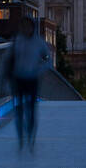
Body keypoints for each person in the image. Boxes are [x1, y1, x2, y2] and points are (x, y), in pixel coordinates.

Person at [3, 17, 51, 150]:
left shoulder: (39, 43)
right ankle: (20, 137)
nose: (25, 29)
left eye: (27, 26)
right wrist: (8, 74)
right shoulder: (16, 41)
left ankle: (30, 134)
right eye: (23, 26)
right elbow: (8, 59)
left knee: (31, 109)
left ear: (32, 27)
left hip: (32, 80)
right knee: (18, 109)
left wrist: (39, 70)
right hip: (18, 80)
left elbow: (48, 59)